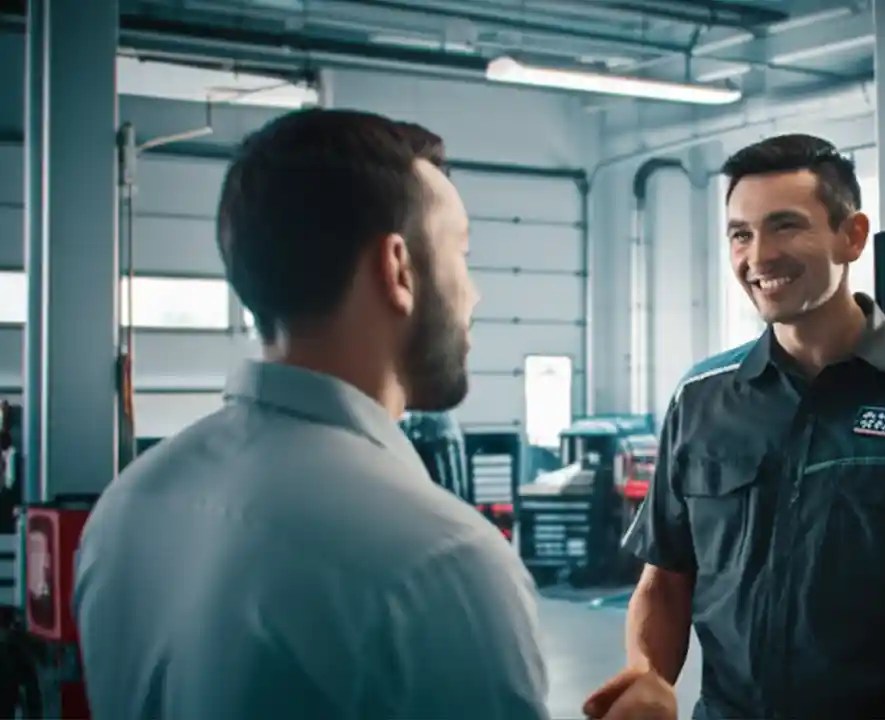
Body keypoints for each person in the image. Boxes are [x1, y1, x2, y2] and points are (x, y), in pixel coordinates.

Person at [72, 109, 674, 720]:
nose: (475, 293)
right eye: (460, 253)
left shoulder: (128, 505)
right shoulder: (437, 560)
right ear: (399, 269)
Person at [586, 134, 885, 720]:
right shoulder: (700, 400)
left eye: (786, 227)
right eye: (741, 234)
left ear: (851, 236)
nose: (759, 256)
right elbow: (666, 578)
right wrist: (648, 676)